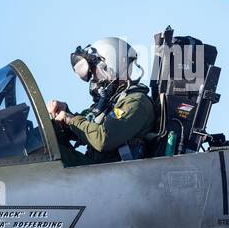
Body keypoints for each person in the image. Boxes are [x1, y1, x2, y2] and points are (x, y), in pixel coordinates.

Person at [47, 37, 156, 165]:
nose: (93, 79)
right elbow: (88, 124)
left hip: (116, 177)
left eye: (94, 72)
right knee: (48, 146)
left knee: (57, 157)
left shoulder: (136, 102)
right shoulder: (109, 103)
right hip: (100, 173)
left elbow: (103, 139)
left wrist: (70, 119)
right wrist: (64, 113)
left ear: (109, 67)